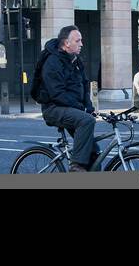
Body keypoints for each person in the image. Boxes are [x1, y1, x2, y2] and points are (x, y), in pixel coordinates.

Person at [36, 26, 97, 172]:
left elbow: (84, 84)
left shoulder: (76, 61)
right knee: (87, 121)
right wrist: (80, 108)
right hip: (53, 108)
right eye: (78, 40)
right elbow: (57, 93)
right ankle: (76, 165)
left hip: (71, 108)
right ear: (66, 43)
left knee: (94, 153)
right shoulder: (52, 62)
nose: (81, 44)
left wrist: (89, 107)